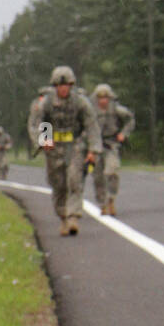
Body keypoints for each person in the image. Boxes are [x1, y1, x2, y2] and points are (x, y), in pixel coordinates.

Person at [33, 66, 102, 236]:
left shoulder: (80, 102)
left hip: (75, 145)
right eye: (59, 85)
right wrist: (44, 139)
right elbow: (37, 121)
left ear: (71, 85)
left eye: (66, 85)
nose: (63, 88)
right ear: (55, 86)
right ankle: (63, 216)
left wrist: (93, 149)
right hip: (54, 148)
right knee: (58, 184)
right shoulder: (46, 103)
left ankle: (73, 217)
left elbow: (91, 125)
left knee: (74, 180)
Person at [90, 84, 135, 216]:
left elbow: (130, 119)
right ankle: (102, 203)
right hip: (95, 145)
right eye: (100, 97)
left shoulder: (116, 109)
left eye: (106, 98)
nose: (103, 101)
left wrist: (124, 133)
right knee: (98, 177)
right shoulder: (90, 111)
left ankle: (111, 199)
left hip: (111, 144)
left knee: (112, 171)